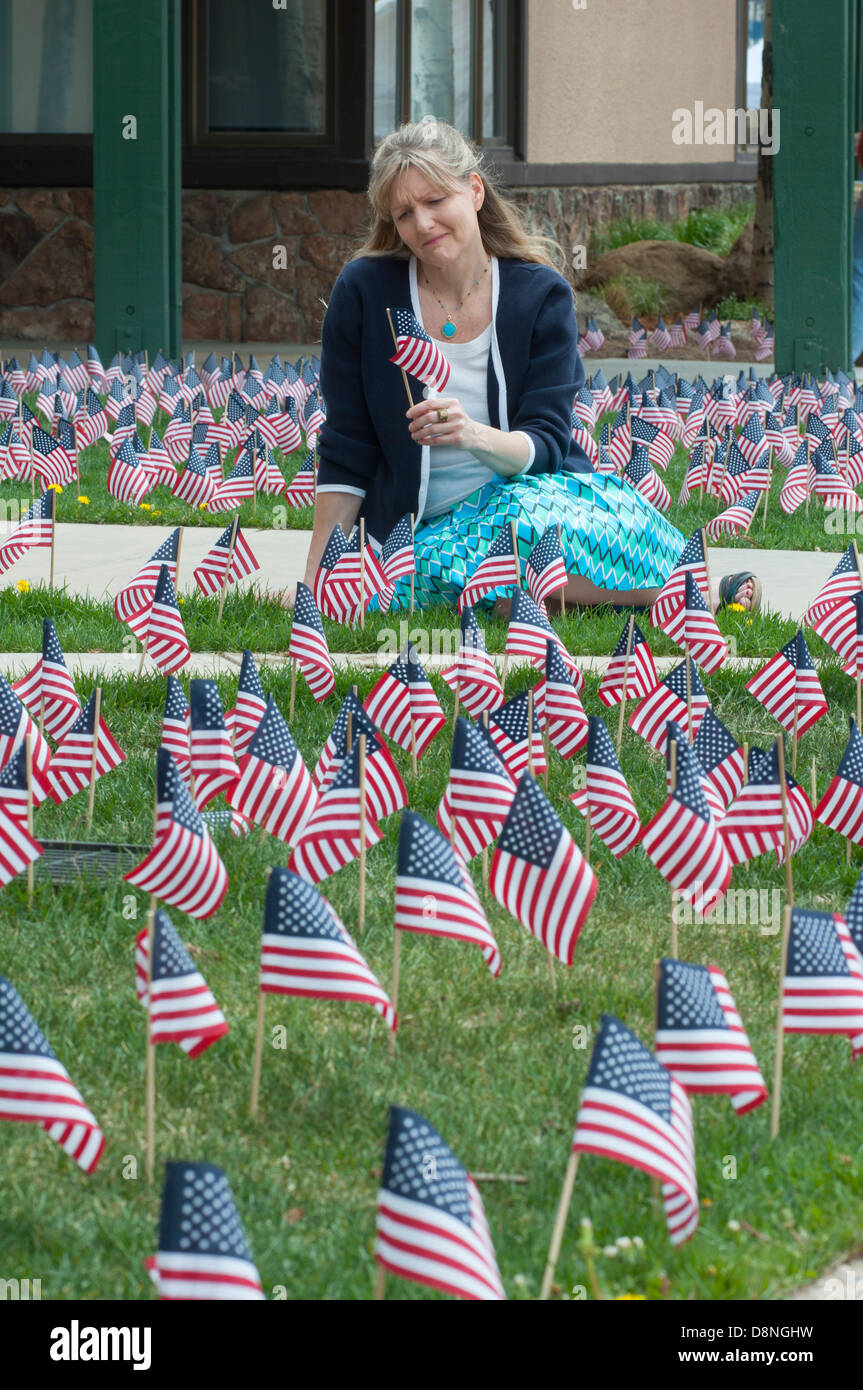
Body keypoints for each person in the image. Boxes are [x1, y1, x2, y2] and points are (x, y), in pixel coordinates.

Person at [293, 117, 759, 615]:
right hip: (422, 533)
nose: (422, 224)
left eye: (435, 201)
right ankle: (608, 596)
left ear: (473, 190)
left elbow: (547, 444)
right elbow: (347, 447)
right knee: (430, 583)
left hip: (536, 497)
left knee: (523, 523)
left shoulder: (538, 294)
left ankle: (671, 595)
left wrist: (472, 435)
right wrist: (314, 582)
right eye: (404, 213)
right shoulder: (366, 292)